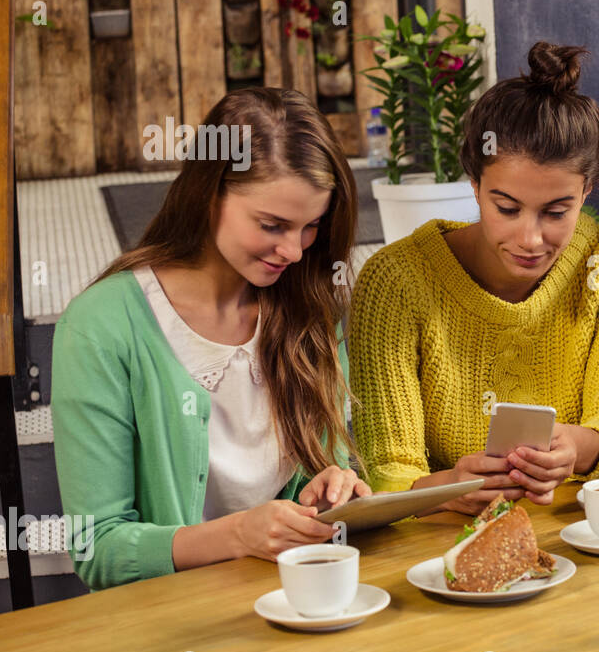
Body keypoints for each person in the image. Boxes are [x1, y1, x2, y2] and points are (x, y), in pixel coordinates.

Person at [54, 88, 369, 591]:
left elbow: (327, 475)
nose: (292, 250)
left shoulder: (310, 310)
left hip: (298, 603)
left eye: (311, 227)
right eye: (272, 225)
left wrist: (335, 488)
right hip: (173, 631)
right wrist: (239, 535)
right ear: (209, 193)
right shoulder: (102, 325)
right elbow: (99, 549)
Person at [349, 42, 599, 516]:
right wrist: (450, 486)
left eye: (556, 211)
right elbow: (387, 477)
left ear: (586, 189)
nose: (530, 238)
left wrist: (576, 446)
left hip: (581, 532)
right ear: (474, 183)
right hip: (434, 552)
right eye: (506, 208)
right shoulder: (396, 282)